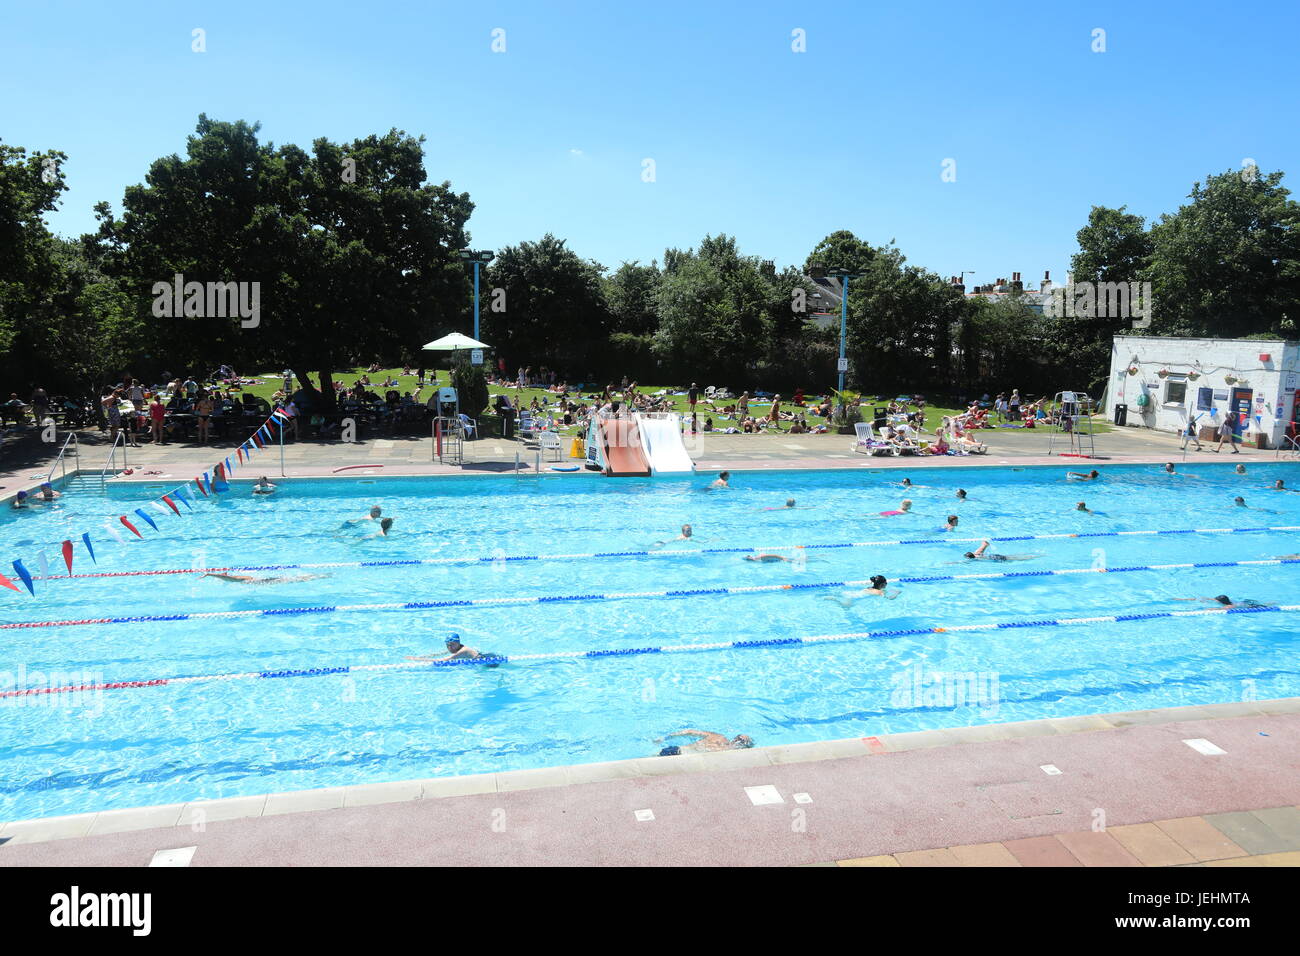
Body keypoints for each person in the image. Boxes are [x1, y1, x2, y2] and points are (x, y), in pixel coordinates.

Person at [655, 729, 754, 756]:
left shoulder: (718, 737)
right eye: (739, 738)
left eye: (740, 740)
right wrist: (666, 737)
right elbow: (691, 731)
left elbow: (690, 731)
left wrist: (666, 737)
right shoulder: (719, 739)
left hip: (677, 750)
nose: (737, 740)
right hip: (677, 753)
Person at [825, 574, 899, 606]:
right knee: (846, 607)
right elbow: (889, 598)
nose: (887, 584)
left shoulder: (869, 587)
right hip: (852, 597)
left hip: (851, 593)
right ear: (882, 584)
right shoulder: (879, 592)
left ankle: (834, 598)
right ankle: (835, 600)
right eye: (886, 582)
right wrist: (896, 593)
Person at [406, 633, 484, 662]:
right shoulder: (457, 648)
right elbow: (439, 654)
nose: (450, 647)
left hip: (487, 662)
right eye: (448, 645)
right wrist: (421, 656)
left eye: (452, 645)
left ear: (458, 643)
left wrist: (417, 660)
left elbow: (443, 660)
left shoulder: (463, 651)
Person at [962, 540, 1037, 562]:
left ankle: (1031, 557)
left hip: (997, 558)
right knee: (1013, 556)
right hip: (995, 556)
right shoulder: (976, 554)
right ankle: (1031, 555)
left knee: (1016, 558)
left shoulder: (977, 558)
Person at [203, 572, 329, 585]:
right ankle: (317, 576)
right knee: (295, 578)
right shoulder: (238, 577)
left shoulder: (238, 578)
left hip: (265, 581)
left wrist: (210, 575)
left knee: (296, 580)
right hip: (266, 580)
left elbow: (231, 579)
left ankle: (320, 576)